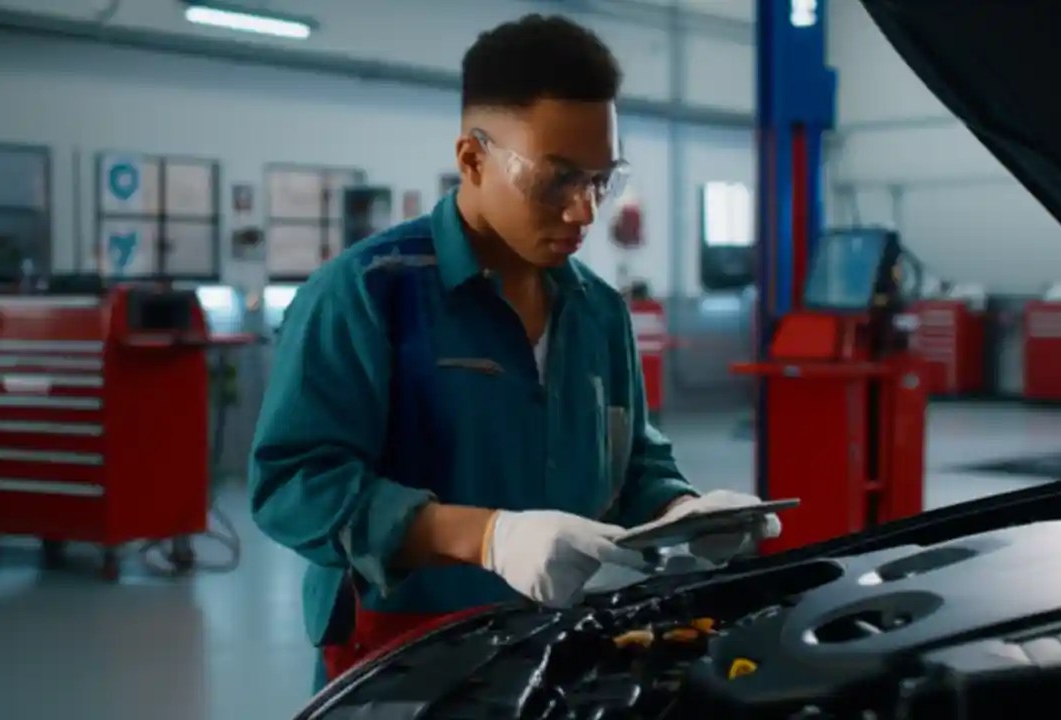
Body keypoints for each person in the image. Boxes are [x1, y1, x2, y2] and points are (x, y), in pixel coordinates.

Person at [248, 13, 781, 692]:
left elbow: (634, 457)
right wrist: (485, 537)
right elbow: (293, 485)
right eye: (555, 179)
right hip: (405, 663)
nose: (584, 212)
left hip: (567, 650)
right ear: (472, 158)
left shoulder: (597, 310)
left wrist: (678, 510)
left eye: (599, 180)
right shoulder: (365, 294)